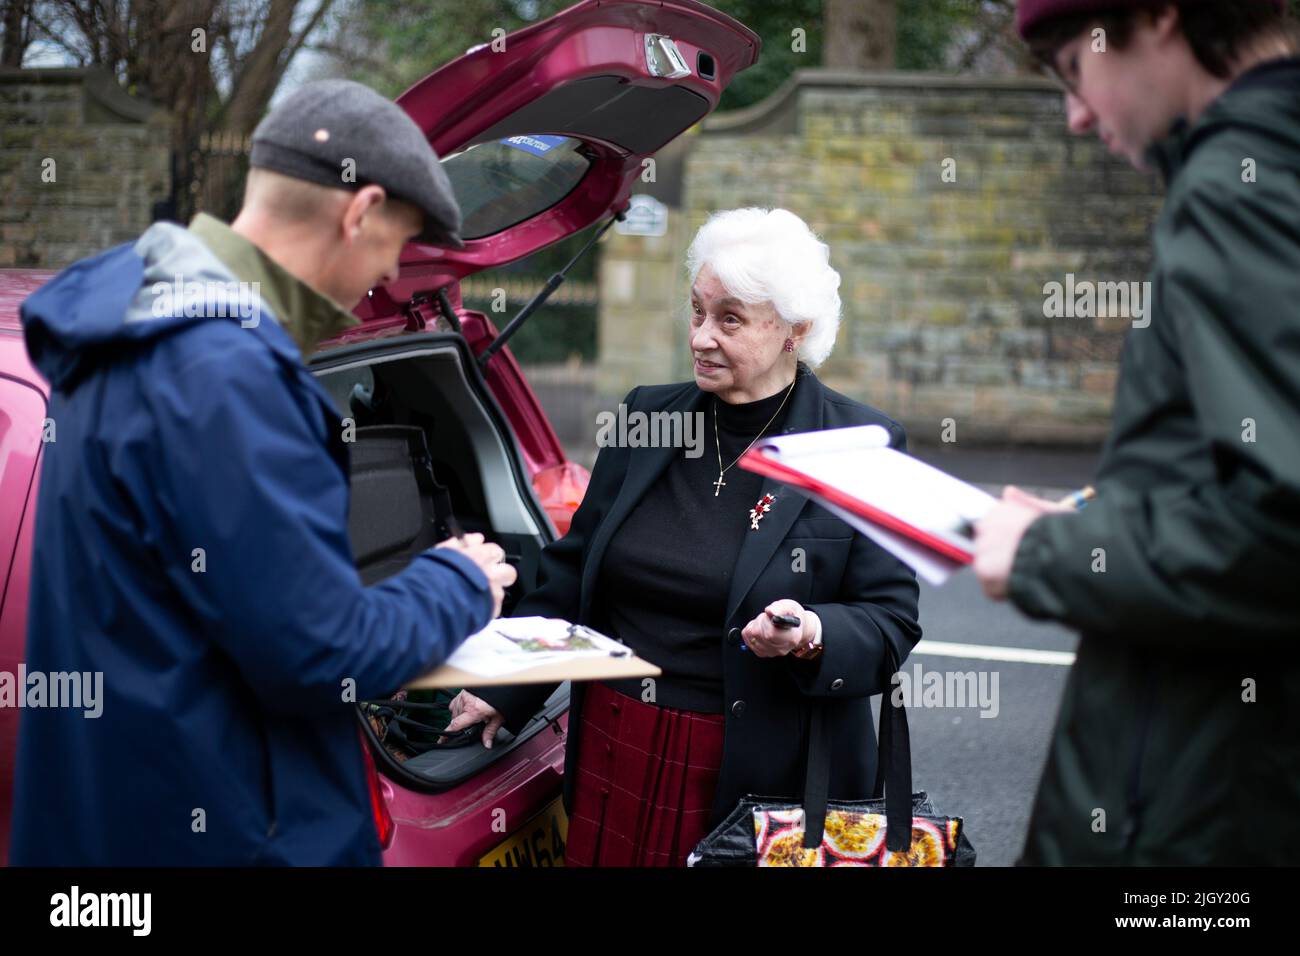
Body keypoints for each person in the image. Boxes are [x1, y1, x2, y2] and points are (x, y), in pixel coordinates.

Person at [11, 80, 516, 865]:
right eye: (395, 245)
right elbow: (316, 653)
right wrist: (457, 583)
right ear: (359, 211)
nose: (383, 281)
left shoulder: (135, 328)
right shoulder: (227, 375)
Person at [445, 208, 922, 866]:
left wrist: (810, 633)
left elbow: (890, 621)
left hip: (756, 768)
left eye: (729, 319)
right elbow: (572, 574)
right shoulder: (648, 416)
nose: (701, 336)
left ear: (796, 329)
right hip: (618, 743)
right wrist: (508, 681)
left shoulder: (858, 447)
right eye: (696, 311)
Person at [974, 0, 1300, 864]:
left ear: (1159, 16)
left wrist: (1045, 553)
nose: (1077, 113)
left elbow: (1279, 525)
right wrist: (1092, 517)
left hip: (1196, 814)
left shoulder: (1239, 183)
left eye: (1073, 67)